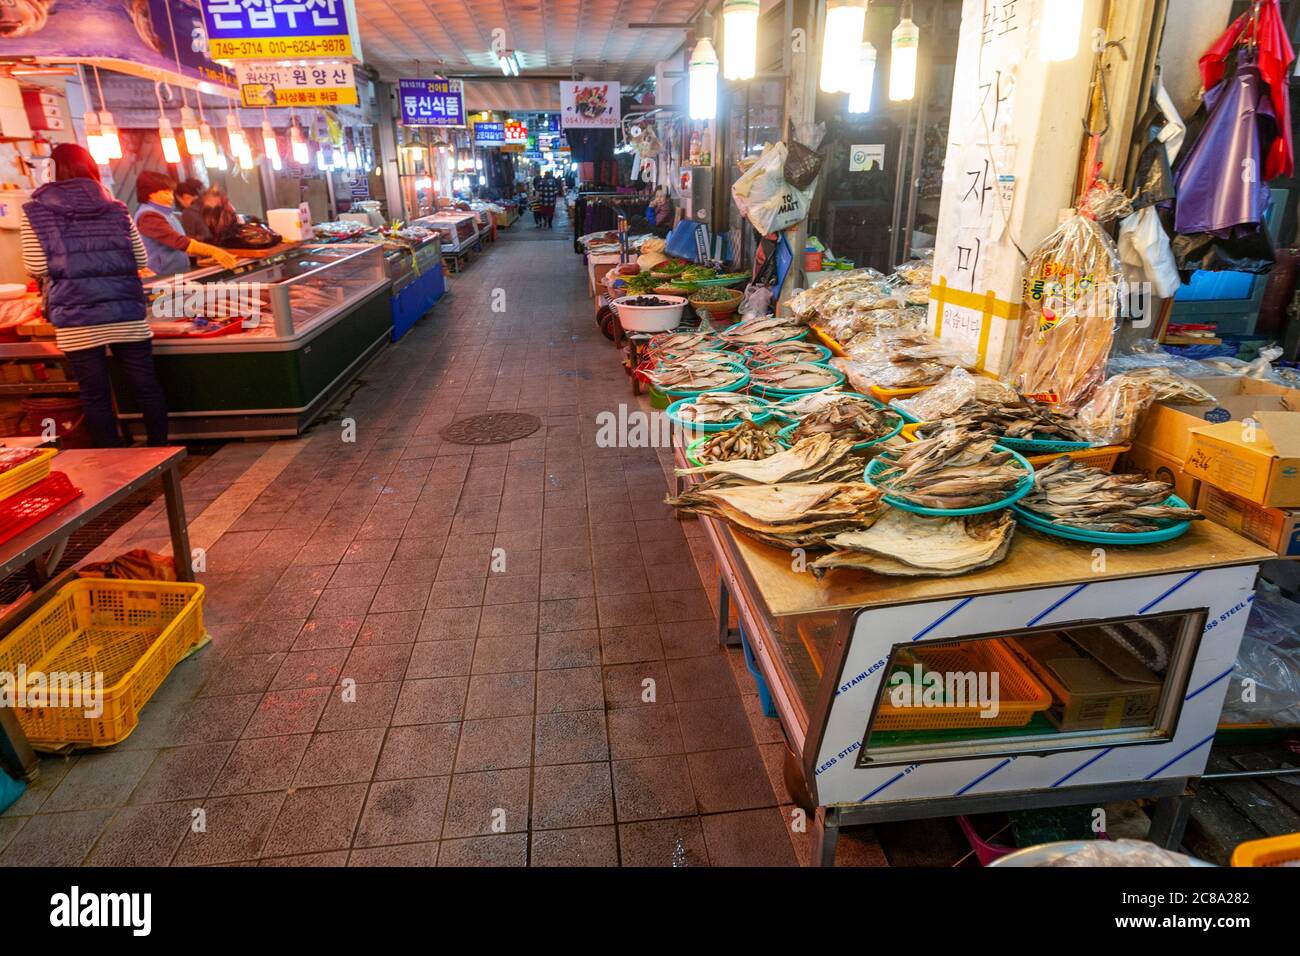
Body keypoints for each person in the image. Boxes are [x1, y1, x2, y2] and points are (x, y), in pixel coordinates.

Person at [19, 143, 169, 446]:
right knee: (145, 385)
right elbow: (141, 259)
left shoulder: (35, 212)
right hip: (125, 312)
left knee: (95, 393)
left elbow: (35, 264)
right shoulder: (115, 208)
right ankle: (160, 450)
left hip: (76, 318)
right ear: (91, 168)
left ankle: (111, 458)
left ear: (51, 170)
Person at [135, 170, 237, 275]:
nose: (171, 197)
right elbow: (179, 242)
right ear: (150, 194)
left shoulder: (166, 213)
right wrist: (213, 251)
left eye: (171, 192)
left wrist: (202, 255)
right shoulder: (149, 216)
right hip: (162, 277)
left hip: (177, 272)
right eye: (166, 193)